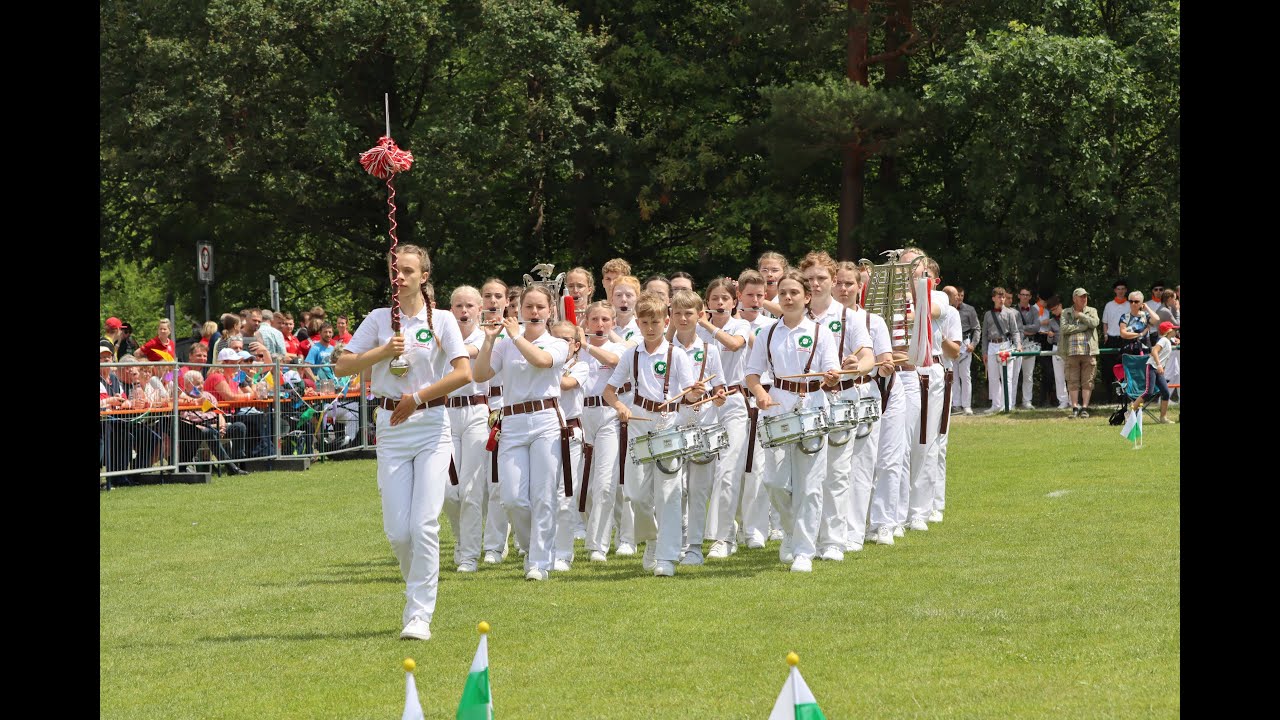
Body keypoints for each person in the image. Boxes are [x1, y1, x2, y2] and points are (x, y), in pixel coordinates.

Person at [334, 244, 471, 641]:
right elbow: (342, 365)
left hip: (431, 425)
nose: (400, 277)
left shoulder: (441, 319)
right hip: (390, 426)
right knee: (398, 532)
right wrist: (382, 351)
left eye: (408, 271)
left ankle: (419, 614)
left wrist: (419, 397)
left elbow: (463, 373)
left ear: (424, 276)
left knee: (423, 524)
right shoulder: (379, 318)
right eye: (395, 270)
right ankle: (417, 592)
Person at [472, 284, 570, 582]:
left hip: (545, 418)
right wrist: (490, 341)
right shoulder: (505, 344)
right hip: (512, 421)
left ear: (550, 311)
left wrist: (515, 336)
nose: (534, 312)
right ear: (519, 310)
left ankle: (539, 561)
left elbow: (541, 361)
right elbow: (479, 375)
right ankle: (533, 549)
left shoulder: (557, 343)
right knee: (512, 497)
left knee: (543, 494)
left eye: (540, 307)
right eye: (529, 307)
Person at [745, 269, 840, 572]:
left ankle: (803, 551)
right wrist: (760, 393)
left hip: (812, 406)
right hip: (777, 407)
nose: (787, 297)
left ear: (807, 297)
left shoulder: (821, 333)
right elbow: (752, 374)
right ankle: (790, 531)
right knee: (773, 482)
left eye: (794, 293)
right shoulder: (767, 333)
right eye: (783, 293)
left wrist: (831, 377)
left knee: (810, 485)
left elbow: (832, 373)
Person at [604, 291, 702, 577]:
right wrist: (620, 406)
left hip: (668, 424)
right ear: (637, 323)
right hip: (639, 423)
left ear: (665, 322)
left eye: (655, 322)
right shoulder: (631, 354)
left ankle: (667, 558)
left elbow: (688, 395)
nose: (650, 327)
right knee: (635, 494)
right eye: (645, 322)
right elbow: (609, 391)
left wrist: (696, 393)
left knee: (669, 493)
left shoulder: (677, 354)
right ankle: (651, 539)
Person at [798, 252, 873, 561]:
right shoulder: (795, 316)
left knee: (838, 472)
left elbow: (868, 357)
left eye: (821, 278)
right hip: (805, 401)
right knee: (805, 476)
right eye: (809, 279)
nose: (815, 284)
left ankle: (832, 541)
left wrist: (855, 367)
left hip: (842, 398)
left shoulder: (849, 317)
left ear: (832, 280)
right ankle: (803, 537)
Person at [669, 289, 727, 566]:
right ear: (671, 316)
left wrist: (720, 395)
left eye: (688, 313)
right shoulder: (665, 350)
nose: (683, 318)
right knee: (675, 488)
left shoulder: (710, 350)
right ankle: (677, 542)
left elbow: (720, 385)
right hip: (673, 423)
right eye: (678, 313)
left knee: (699, 489)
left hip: (704, 423)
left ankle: (694, 547)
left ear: (700, 316)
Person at [698, 278, 752, 559]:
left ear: (734, 301)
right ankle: (694, 535)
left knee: (728, 470)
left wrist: (707, 326)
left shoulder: (741, 325)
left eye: (725, 299)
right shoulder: (695, 329)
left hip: (733, 401)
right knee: (702, 473)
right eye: (714, 299)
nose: (719, 303)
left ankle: (724, 537)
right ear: (707, 302)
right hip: (704, 403)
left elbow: (733, 345)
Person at [576, 302, 629, 563]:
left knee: (605, 482)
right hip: (580, 415)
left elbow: (613, 361)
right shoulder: (576, 349)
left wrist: (585, 345)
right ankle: (588, 530)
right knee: (581, 485)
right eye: (594, 319)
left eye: (605, 320)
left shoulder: (618, 347)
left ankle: (599, 545)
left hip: (608, 413)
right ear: (586, 322)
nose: (600, 325)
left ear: (613, 323)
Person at [443, 286, 490, 574]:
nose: (464, 311)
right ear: (451, 310)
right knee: (449, 491)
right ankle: (461, 540)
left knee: (471, 488)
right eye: (459, 306)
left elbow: (469, 353)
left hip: (476, 411)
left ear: (479, 309)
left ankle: (470, 554)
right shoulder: (442, 335)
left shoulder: (485, 337)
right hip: (446, 412)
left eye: (470, 305)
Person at [478, 277, 515, 564]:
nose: (493, 301)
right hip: (478, 407)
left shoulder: (515, 332)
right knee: (478, 486)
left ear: (507, 301)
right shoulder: (472, 331)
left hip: (507, 406)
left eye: (498, 296)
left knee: (500, 482)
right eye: (488, 296)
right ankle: (489, 539)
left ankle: (496, 544)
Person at [549, 320, 590, 571]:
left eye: (565, 340)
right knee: (540, 495)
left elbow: (567, 384)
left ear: (576, 345)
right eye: (555, 339)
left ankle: (563, 552)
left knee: (564, 495)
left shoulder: (581, 366)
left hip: (569, 432)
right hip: (543, 431)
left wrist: (544, 366)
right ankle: (542, 548)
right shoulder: (542, 362)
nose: (560, 344)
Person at [1059, 288, 1100, 418]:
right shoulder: (1066, 312)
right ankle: (1075, 408)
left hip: (1089, 351)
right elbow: (1064, 328)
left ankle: (1085, 408)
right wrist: (1082, 327)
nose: (1084, 299)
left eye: (1085, 296)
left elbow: (1095, 323)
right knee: (1072, 380)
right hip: (1071, 352)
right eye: (1081, 297)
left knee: (1088, 380)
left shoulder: (1092, 311)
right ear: (1074, 299)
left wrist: (1081, 316)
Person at [982, 287, 1021, 413]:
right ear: (993, 298)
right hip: (992, 345)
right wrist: (984, 352)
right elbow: (984, 335)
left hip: (1005, 345)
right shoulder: (988, 314)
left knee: (1007, 377)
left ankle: (1006, 404)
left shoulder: (1010, 313)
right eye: (999, 297)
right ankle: (996, 405)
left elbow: (1015, 331)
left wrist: (1018, 345)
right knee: (993, 377)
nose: (1002, 299)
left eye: (1003, 297)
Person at [947, 286, 980, 416]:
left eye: (962, 295)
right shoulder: (947, 309)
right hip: (950, 343)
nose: (959, 298)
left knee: (965, 376)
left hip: (965, 344)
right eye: (957, 295)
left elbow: (976, 328)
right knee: (953, 376)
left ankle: (967, 405)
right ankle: (956, 404)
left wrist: (973, 344)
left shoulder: (969, 310)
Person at [1045, 296, 1071, 410]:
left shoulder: (1070, 316)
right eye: (1052, 310)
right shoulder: (1051, 321)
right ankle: (1063, 400)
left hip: (1070, 347)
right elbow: (1049, 341)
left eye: (1055, 309)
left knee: (1072, 376)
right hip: (1056, 347)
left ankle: (1073, 400)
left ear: (1060, 306)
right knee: (1059, 376)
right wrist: (1050, 336)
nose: (1054, 312)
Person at [1148, 322, 1177, 423]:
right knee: (1148, 393)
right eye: (1174, 329)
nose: (1176, 331)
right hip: (1152, 367)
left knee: (1165, 393)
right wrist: (1159, 365)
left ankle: (1163, 418)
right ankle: (1130, 412)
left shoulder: (1168, 340)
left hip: (1158, 370)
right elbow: (1154, 351)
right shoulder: (1163, 340)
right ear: (1169, 331)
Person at [1100, 279, 1129, 351]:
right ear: (1115, 290)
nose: (1120, 291)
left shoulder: (1130, 305)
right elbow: (1105, 322)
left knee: (1126, 357)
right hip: (1111, 338)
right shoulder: (1109, 305)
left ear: (1126, 290)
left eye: (1123, 289)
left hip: (1126, 337)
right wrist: (1105, 335)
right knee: (1111, 358)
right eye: (1118, 289)